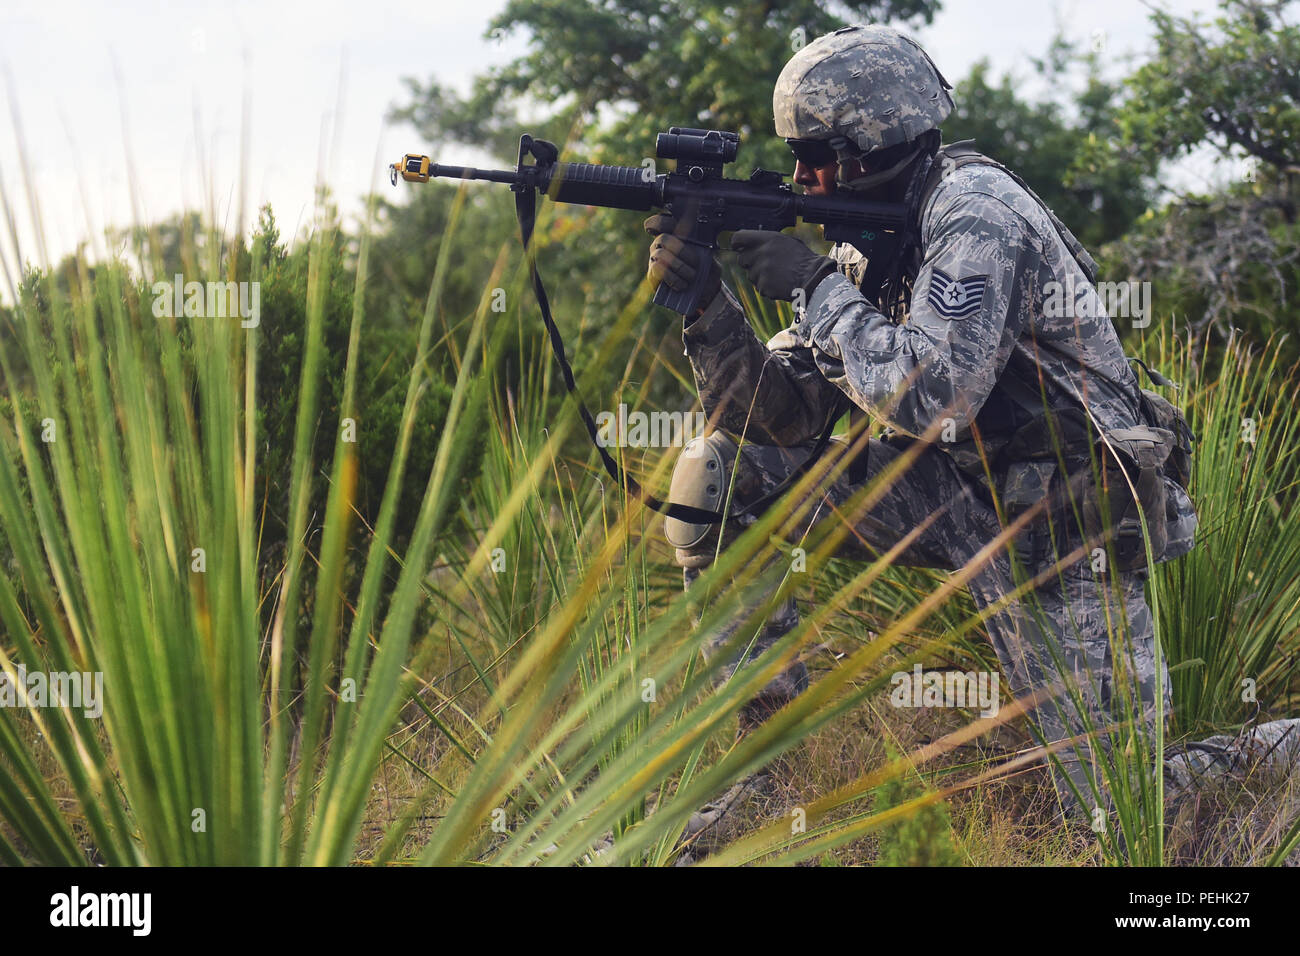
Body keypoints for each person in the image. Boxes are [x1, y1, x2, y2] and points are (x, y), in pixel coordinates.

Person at [644, 23, 1300, 837]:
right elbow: (781, 420)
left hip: (1060, 523)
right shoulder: (865, 238)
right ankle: (766, 777)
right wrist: (707, 306)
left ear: (872, 142)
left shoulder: (975, 214)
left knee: (1122, 818)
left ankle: (1283, 751)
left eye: (817, 155)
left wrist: (812, 287)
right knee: (718, 475)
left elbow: (934, 398)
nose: (802, 179)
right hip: (951, 496)